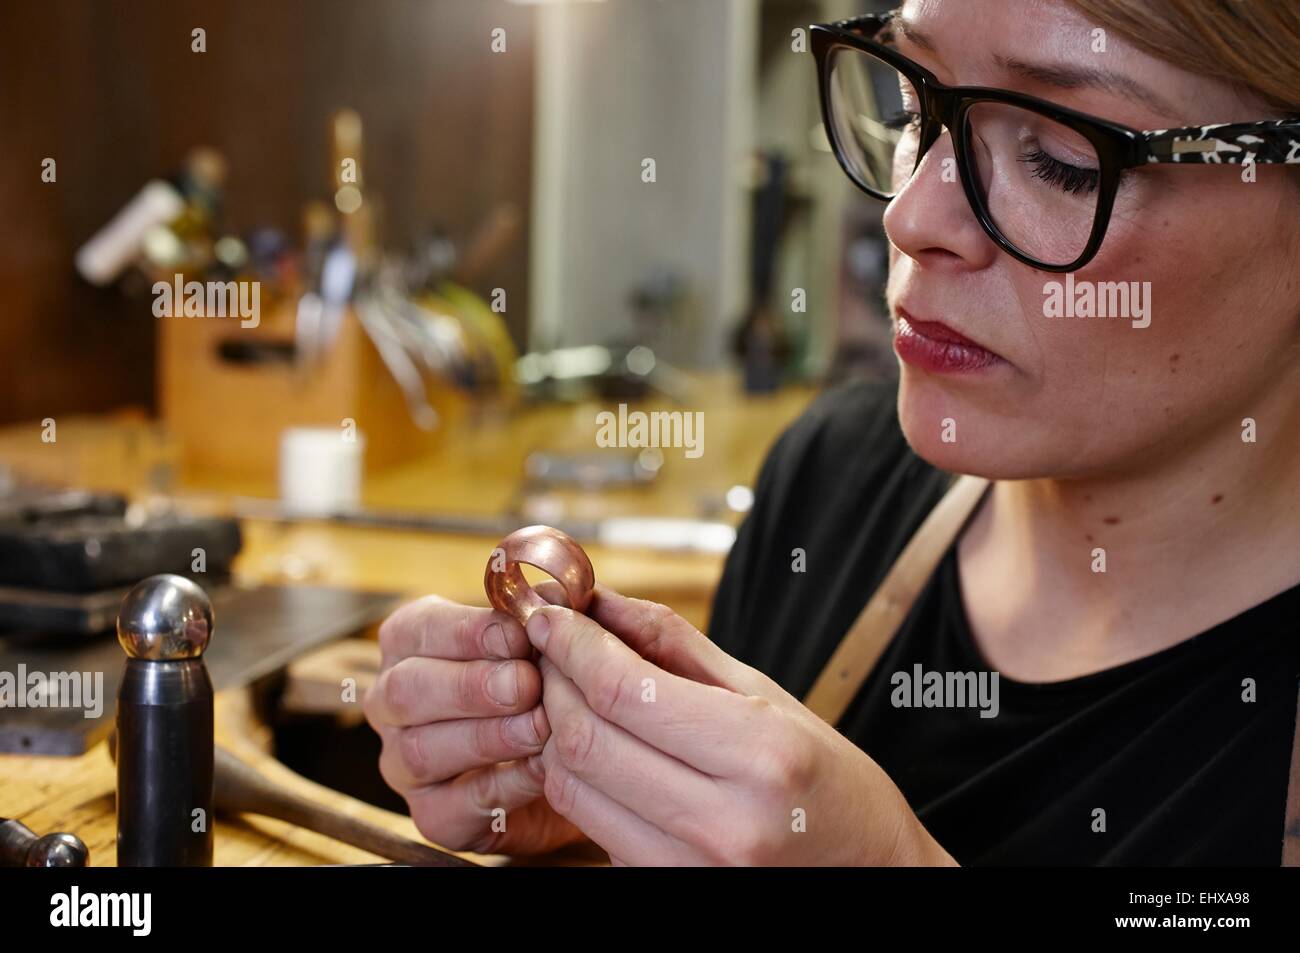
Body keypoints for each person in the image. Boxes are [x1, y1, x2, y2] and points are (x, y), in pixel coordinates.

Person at [363, 0, 1300, 865]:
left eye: (1061, 157)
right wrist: (599, 813)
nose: (912, 214)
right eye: (911, 108)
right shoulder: (831, 480)